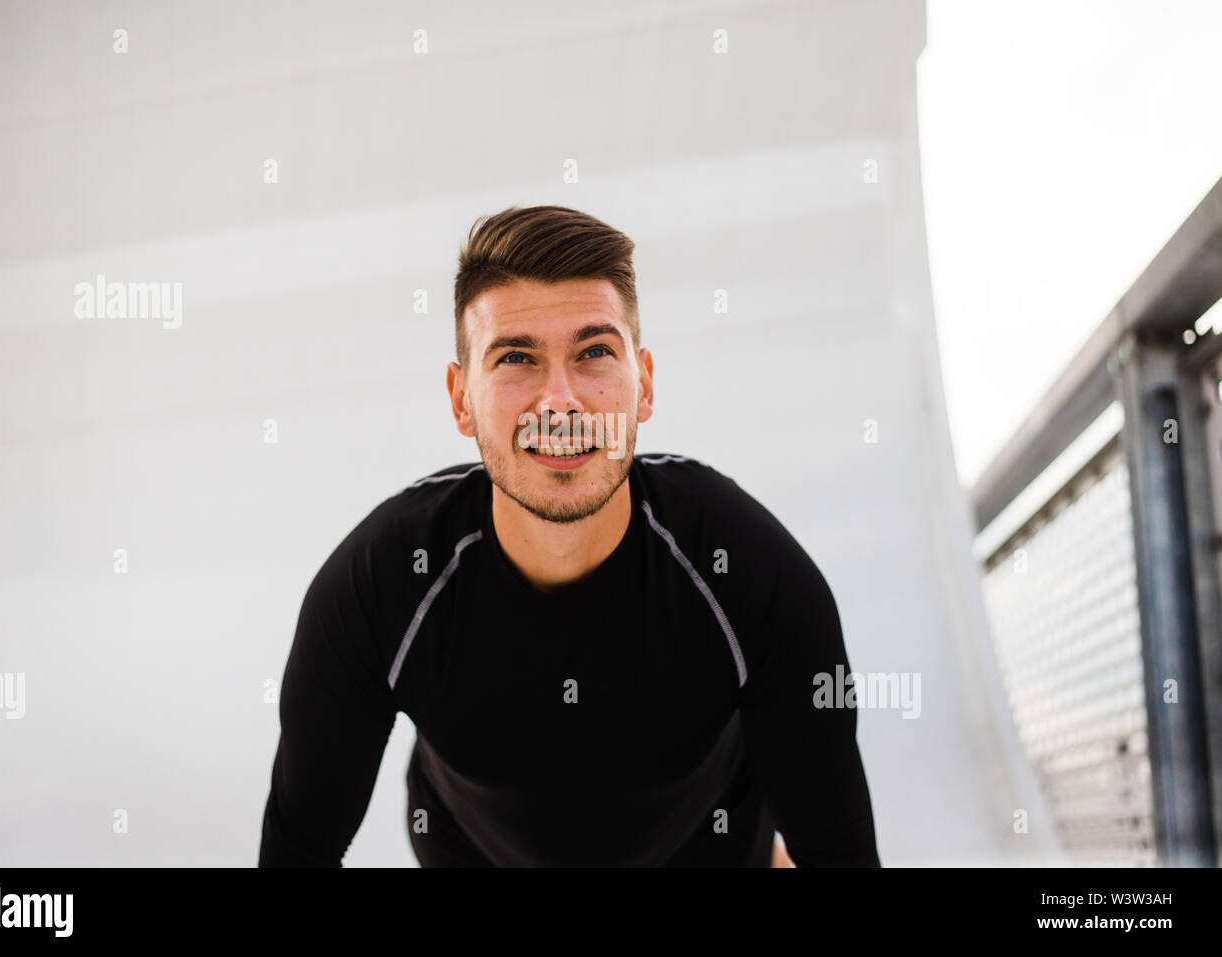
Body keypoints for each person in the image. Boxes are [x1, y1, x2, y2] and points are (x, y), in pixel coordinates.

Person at [258, 205, 880, 867]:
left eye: (594, 353)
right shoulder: (380, 584)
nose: (560, 401)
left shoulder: (751, 572)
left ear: (643, 384)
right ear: (461, 397)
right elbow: (300, 841)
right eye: (517, 357)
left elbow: (837, 848)